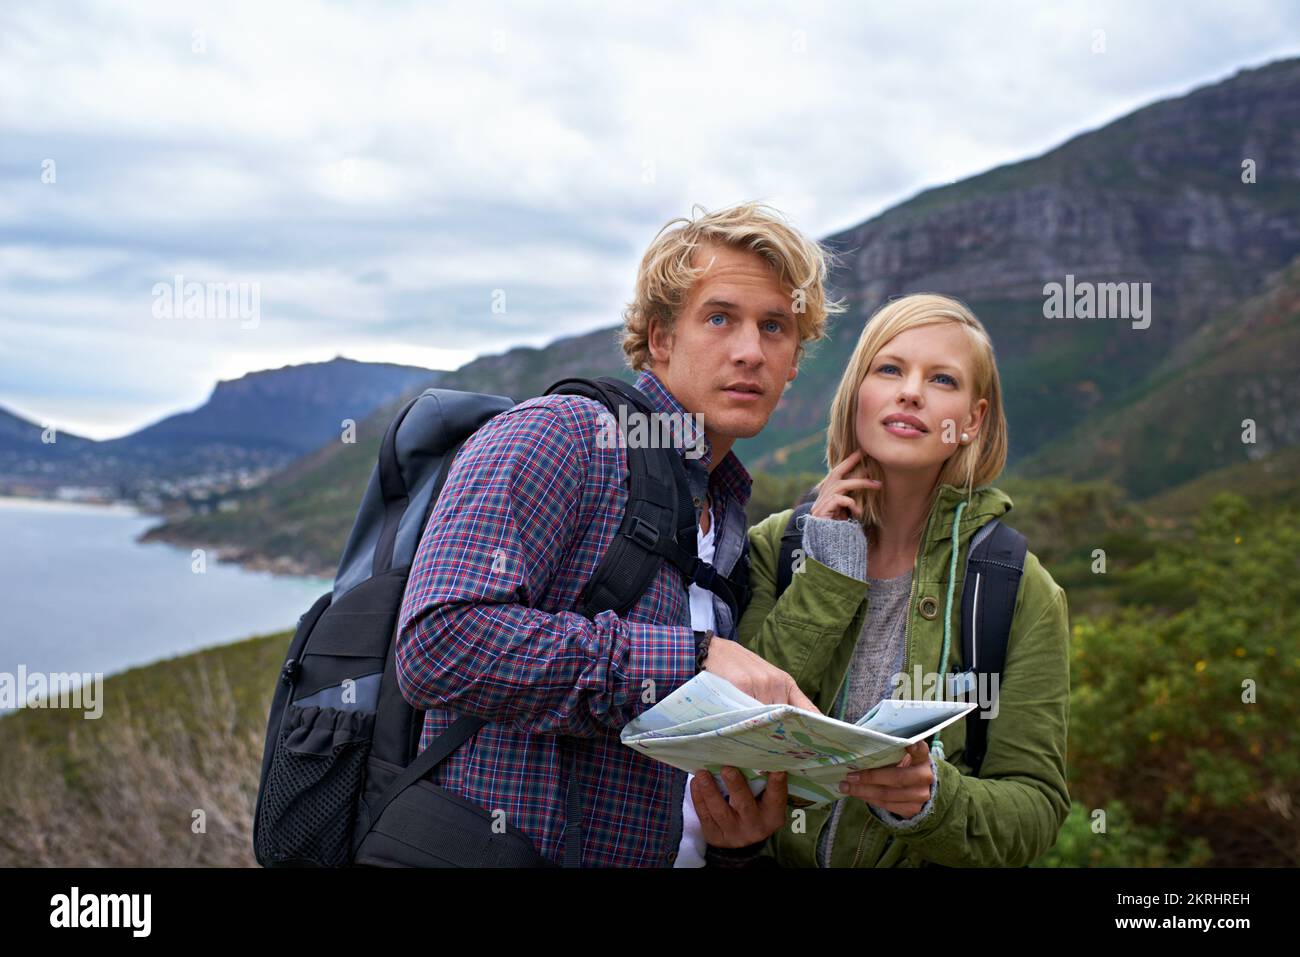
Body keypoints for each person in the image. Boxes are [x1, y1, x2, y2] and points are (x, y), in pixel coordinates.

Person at [395, 201, 840, 867]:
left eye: (775, 327)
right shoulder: (564, 435)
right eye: (720, 317)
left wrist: (731, 841)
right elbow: (437, 643)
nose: (750, 350)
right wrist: (692, 659)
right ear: (661, 337)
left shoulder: (725, 517)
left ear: (794, 362)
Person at [714, 293, 1071, 868]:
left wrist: (933, 802)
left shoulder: (1016, 587)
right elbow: (731, 723)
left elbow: (1035, 806)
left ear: (973, 420)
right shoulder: (774, 548)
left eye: (942, 380)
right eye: (890, 369)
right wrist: (828, 570)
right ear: (858, 392)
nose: (911, 391)